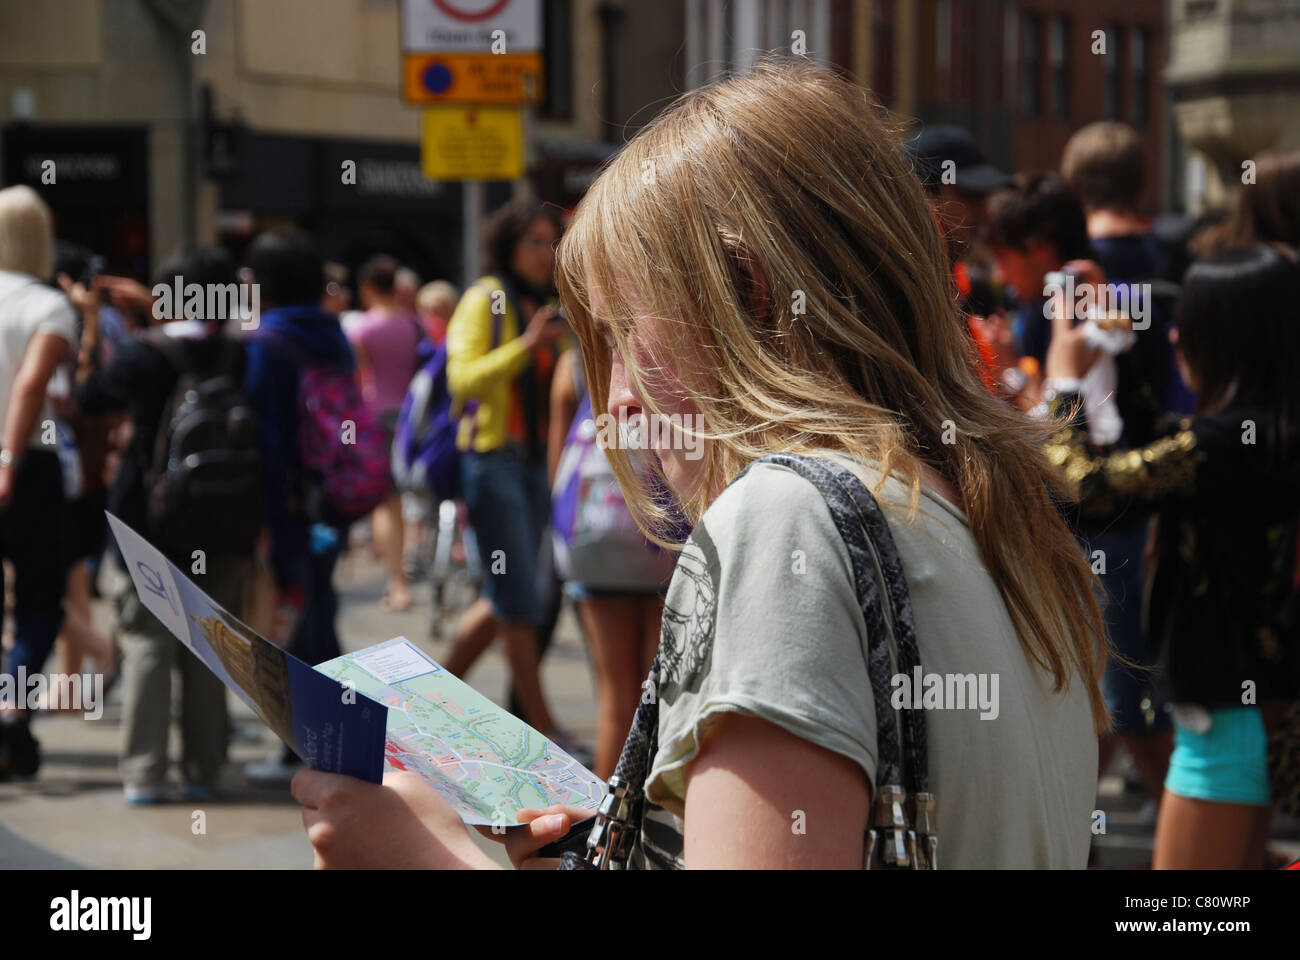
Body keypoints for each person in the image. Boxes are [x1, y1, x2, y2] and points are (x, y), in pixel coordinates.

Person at [291, 61, 1108, 869]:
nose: (614, 404)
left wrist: (418, 857)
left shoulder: (787, 517)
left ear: (748, 293)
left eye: (621, 335)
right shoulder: (998, 513)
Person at [1042, 243, 1300, 868]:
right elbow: (1159, 444)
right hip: (1248, 710)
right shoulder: (1262, 432)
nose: (1179, 335)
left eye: (1195, 325)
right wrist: (1116, 352)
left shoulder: (1226, 444)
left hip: (1225, 726)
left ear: (1230, 341)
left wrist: (1066, 381)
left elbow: (1087, 486)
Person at [76, 243, 258, 803]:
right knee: (209, 640)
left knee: (148, 640)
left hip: (147, 520)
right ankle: (206, 768)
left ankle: (144, 773)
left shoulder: (141, 355)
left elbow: (87, 400)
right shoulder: (242, 355)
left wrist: (92, 324)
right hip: (226, 520)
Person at [1059, 122, 1181, 813]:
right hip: (1161, 479)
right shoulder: (1173, 261)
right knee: (1113, 677)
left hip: (1085, 488)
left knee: (1116, 681)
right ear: (1141, 185)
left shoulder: (1074, 271)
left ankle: (1197, 837)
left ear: (1076, 188)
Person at [435, 199, 584, 755]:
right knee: (520, 596)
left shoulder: (547, 306)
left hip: (533, 464)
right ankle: (540, 725)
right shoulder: (485, 299)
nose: (546, 253)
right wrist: (526, 347)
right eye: (534, 241)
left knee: (511, 593)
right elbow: (462, 379)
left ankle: (430, 700)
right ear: (507, 244)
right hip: (492, 459)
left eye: (553, 242)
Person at [243, 229, 355, 782]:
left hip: (289, 502)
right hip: (332, 494)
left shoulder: (266, 344)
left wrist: (263, 516)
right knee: (318, 608)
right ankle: (334, 733)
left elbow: (267, 439)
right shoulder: (333, 334)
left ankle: (314, 746)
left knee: (299, 617)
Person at [548, 347, 674, 778]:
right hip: (661, 540)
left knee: (615, 693)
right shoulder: (667, 348)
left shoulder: (577, 362)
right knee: (659, 691)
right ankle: (658, 816)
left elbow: (557, 462)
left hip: (595, 540)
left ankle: (608, 830)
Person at [0, 186, 78, 779]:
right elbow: (31, 386)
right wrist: (9, 457)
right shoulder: (49, 306)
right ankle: (12, 699)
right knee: (39, 599)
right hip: (31, 466)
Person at [346, 254, 424, 612]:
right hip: (409, 418)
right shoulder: (413, 325)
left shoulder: (362, 328)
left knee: (384, 503)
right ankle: (399, 575)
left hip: (373, 419)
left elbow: (356, 378)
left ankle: (397, 582)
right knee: (402, 501)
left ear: (367, 289)